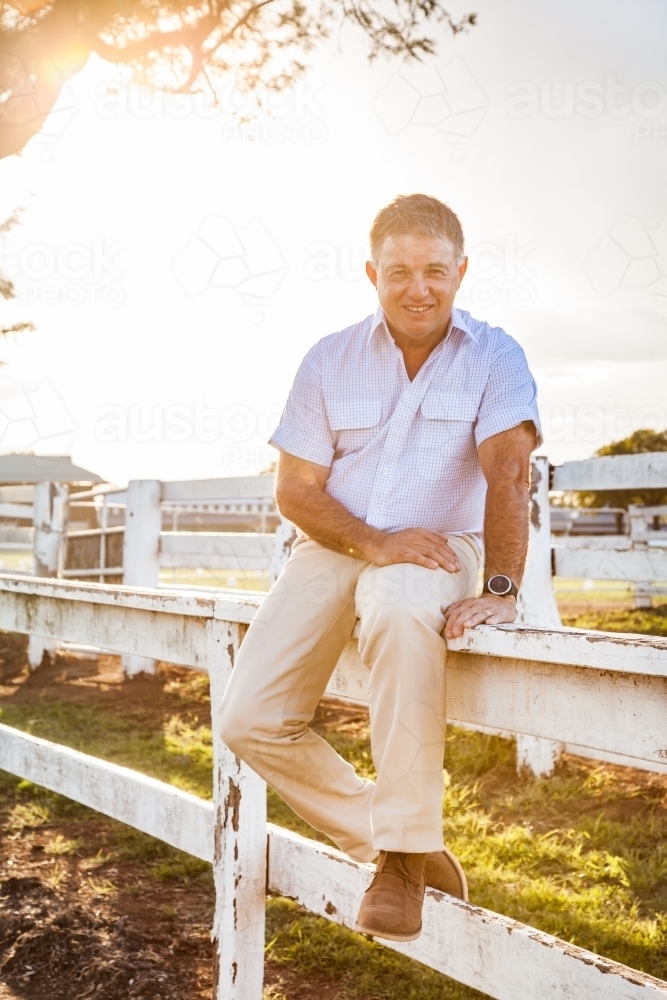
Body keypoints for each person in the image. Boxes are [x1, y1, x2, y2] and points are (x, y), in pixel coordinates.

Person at [219, 193, 541, 943]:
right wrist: (370, 538)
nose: (417, 287)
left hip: (439, 546)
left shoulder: (495, 355)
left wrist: (498, 588)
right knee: (248, 717)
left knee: (398, 603)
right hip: (337, 541)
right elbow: (295, 491)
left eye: (434, 270)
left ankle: (397, 861)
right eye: (399, 271)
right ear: (371, 272)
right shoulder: (328, 359)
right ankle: (400, 838)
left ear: (461, 270)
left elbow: (508, 475)